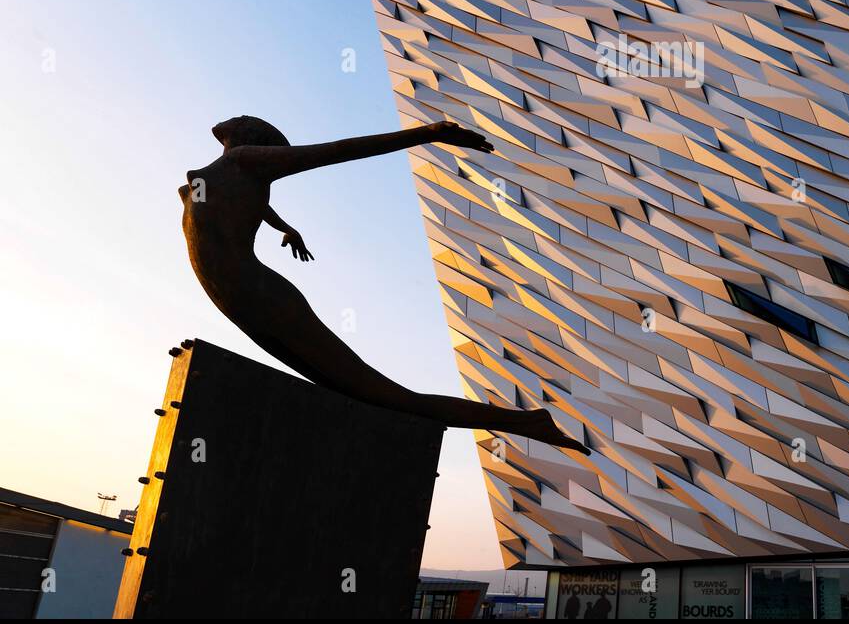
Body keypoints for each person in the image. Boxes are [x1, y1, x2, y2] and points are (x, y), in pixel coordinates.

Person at [179, 114, 587, 453]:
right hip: (237, 298)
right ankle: (523, 422)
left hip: (259, 294)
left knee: (384, 395)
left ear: (253, 139)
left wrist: (428, 135)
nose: (233, 119)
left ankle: (522, 421)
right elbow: (234, 203)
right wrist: (287, 228)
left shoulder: (244, 161)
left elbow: (340, 150)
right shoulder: (227, 176)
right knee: (357, 393)